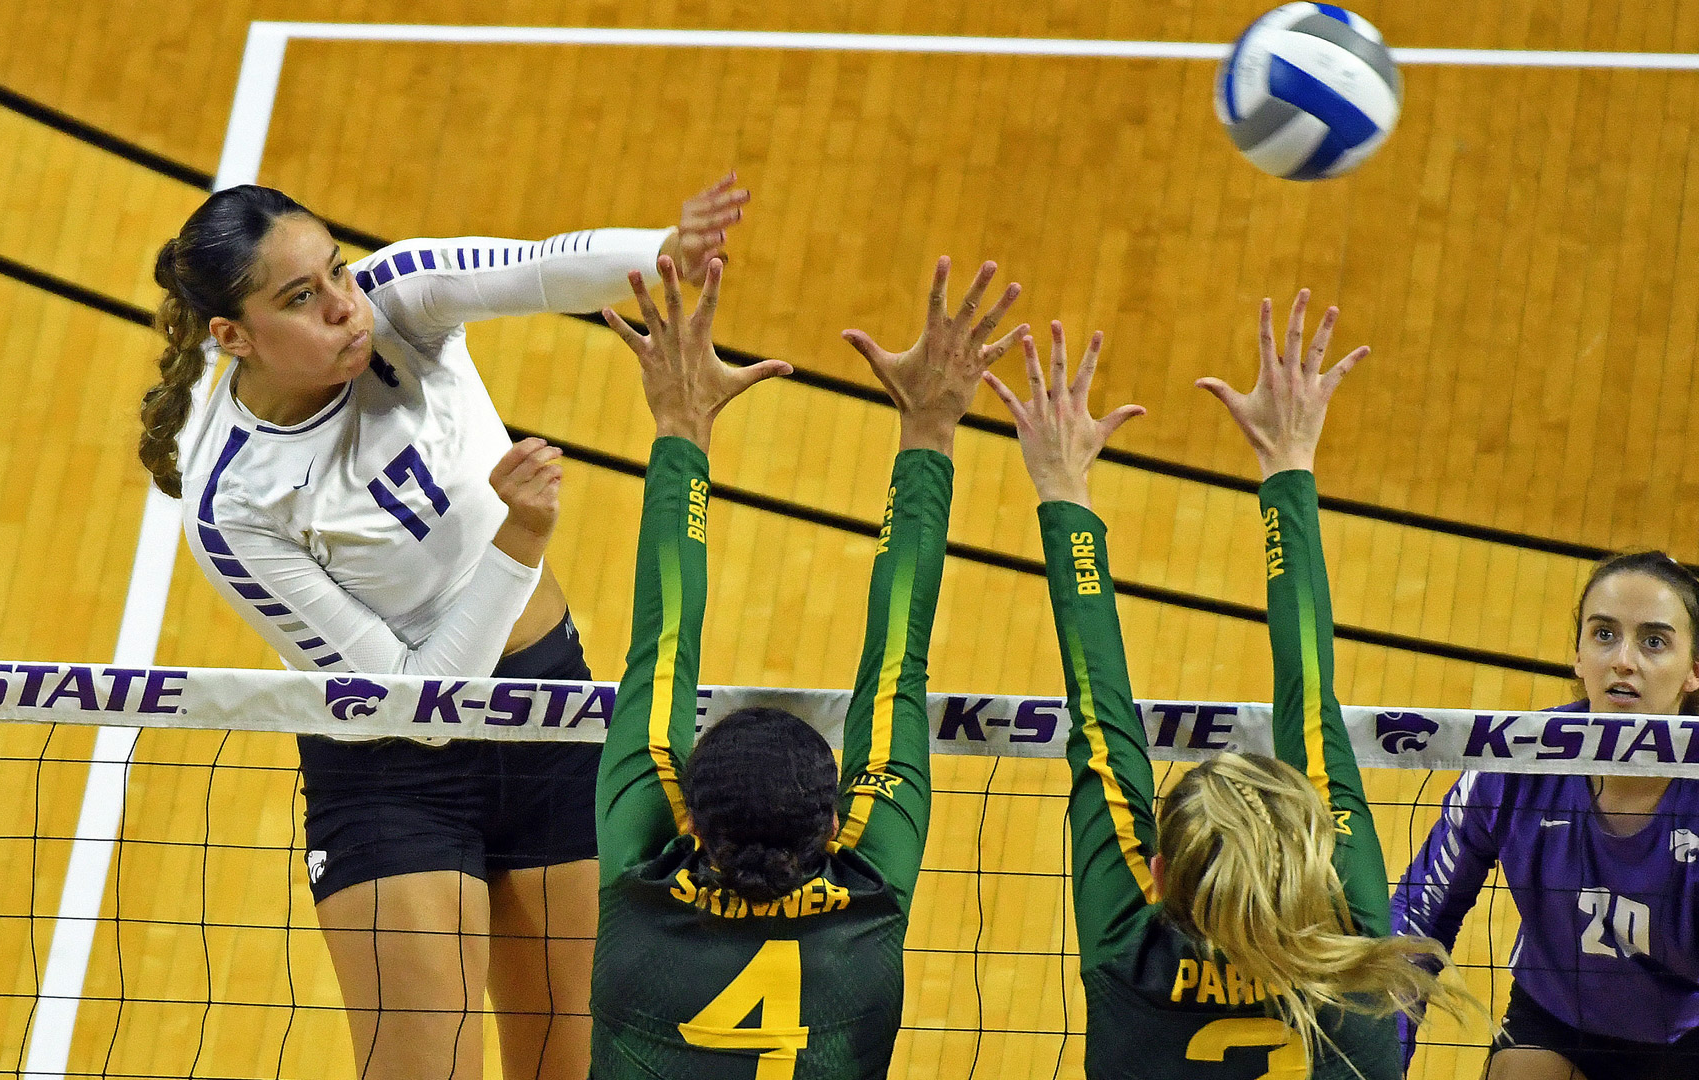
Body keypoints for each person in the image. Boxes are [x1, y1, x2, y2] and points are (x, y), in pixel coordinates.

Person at [135, 176, 748, 1080]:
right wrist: (520, 541)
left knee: (574, 1068)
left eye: (336, 270)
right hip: (391, 775)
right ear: (232, 336)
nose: (346, 307)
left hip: (550, 720)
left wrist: (666, 248)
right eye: (301, 298)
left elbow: (536, 271)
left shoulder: (398, 300)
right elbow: (421, 706)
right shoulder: (234, 505)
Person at [985, 292, 1476, 1078]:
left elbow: (1103, 724)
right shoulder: (1352, 938)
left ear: (1156, 876)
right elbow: (1305, 705)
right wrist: (1287, 468)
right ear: (1318, 855)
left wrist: (1063, 493)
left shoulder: (1131, 954)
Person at [588, 252, 1026, 1079]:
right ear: (832, 828)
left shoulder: (646, 887)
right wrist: (929, 433)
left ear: (685, 817)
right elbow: (896, 666)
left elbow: (662, 646)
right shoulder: (866, 906)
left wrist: (681, 426)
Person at [1392, 552, 1699, 1079]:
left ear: (1694, 670)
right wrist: (1380, 1062)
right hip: (1555, 1019)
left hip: (1685, 1036)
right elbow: (1418, 918)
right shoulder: (1513, 761)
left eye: (1653, 641)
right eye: (1603, 634)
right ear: (1578, 655)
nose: (1623, 660)